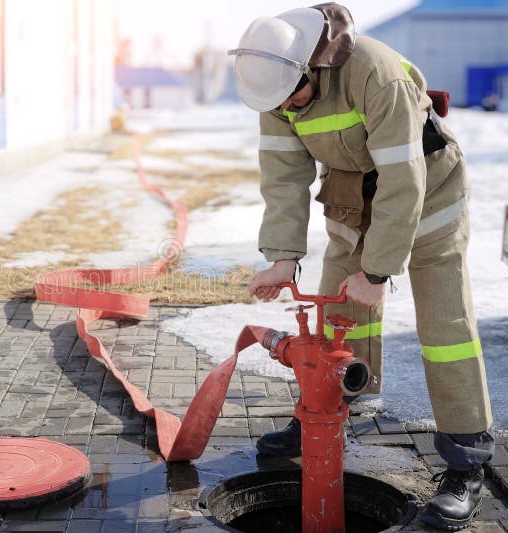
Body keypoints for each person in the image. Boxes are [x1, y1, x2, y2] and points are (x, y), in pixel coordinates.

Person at [229, 3, 494, 530]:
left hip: (428, 197)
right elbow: (283, 177)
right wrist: (283, 258)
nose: (287, 109)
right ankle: (335, 407)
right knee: (338, 312)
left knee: (446, 329)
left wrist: (377, 272)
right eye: (277, 105)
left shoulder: (375, 72)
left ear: (313, 66)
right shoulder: (276, 86)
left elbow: (405, 179)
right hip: (355, 200)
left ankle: (466, 460)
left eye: (293, 98)